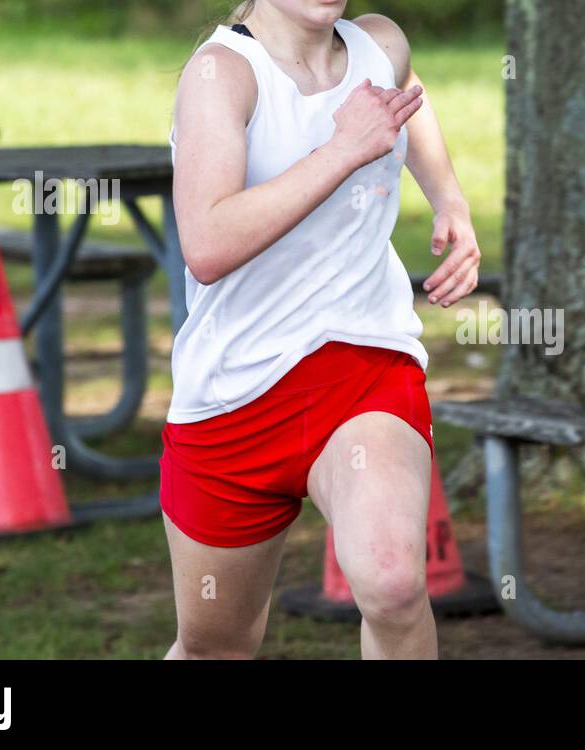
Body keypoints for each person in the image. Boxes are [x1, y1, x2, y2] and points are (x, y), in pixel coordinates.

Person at [161, 0, 481, 660]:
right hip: (235, 395)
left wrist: (449, 197)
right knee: (213, 646)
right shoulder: (223, 75)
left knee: (393, 584)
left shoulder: (381, 43)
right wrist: (341, 149)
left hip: (365, 369)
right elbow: (208, 244)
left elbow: (407, 107)